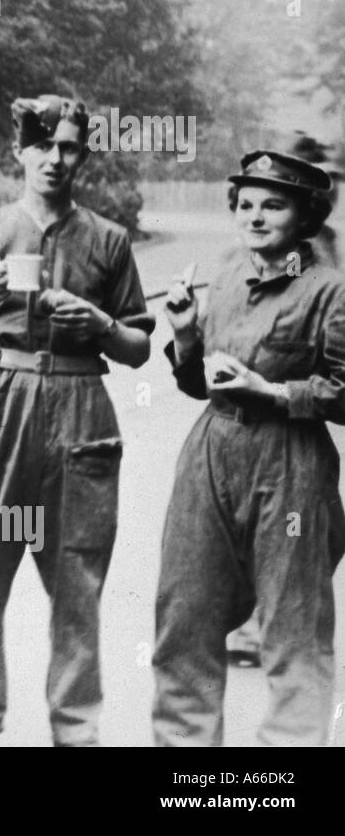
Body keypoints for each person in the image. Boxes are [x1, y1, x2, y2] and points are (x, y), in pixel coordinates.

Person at [0, 94, 153, 747]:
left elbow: (138, 347)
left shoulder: (107, 239)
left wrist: (99, 324)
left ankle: (77, 732)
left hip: (80, 404)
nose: (54, 158)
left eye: (68, 145)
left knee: (78, 586)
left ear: (84, 154)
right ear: (19, 151)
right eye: (41, 144)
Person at [154, 149, 345, 746]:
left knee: (293, 633)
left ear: (306, 217)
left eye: (274, 205)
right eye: (246, 204)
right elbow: (198, 383)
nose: (255, 217)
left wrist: (270, 389)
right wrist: (185, 331)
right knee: (184, 622)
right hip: (212, 451)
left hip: (290, 463)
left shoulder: (330, 291)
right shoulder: (230, 271)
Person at [226, 135, 343, 666]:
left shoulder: (329, 249)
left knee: (316, 523)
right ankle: (256, 622)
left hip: (324, 384)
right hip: (291, 392)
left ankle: (288, 619)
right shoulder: (271, 252)